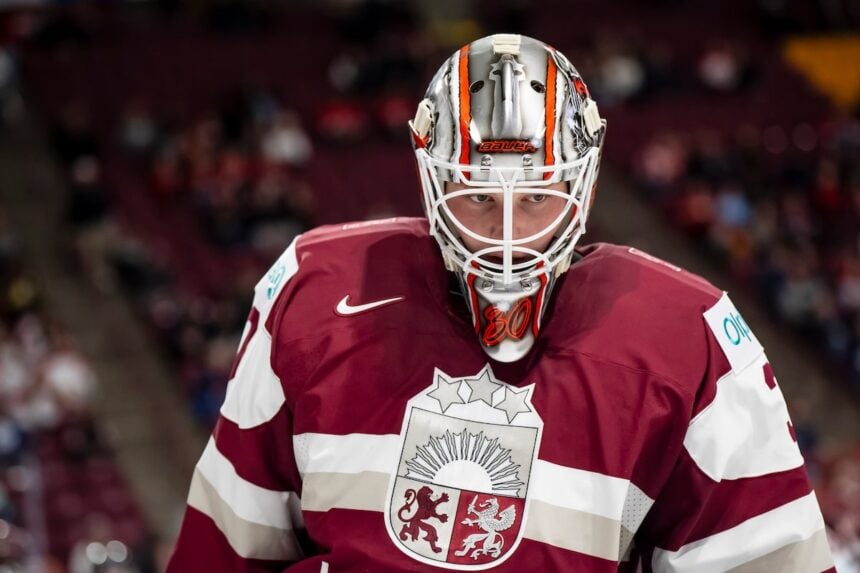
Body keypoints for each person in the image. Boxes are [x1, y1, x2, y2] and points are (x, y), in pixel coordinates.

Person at [166, 34, 834, 572]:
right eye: (480, 197)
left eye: (536, 197)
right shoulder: (314, 291)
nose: (508, 236)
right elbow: (224, 546)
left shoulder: (692, 340)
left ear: (585, 186)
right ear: (431, 180)